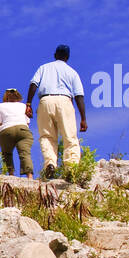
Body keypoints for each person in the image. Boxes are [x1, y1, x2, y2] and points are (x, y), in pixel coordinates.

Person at [25, 44, 86, 180]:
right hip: (65, 101)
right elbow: (79, 96)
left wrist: (28, 103)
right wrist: (83, 118)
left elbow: (33, 84)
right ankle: (71, 168)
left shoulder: (44, 68)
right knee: (69, 136)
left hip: (45, 101)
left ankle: (50, 164)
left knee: (47, 136)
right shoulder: (72, 72)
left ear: (55, 55)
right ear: (67, 57)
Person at [0, 88, 33, 177]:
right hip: (23, 129)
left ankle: (11, 174)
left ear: (6, 98)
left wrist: (2, 131)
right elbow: (27, 122)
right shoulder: (23, 106)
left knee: (7, 153)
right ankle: (29, 176)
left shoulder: (0, 106)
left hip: (6, 130)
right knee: (25, 153)